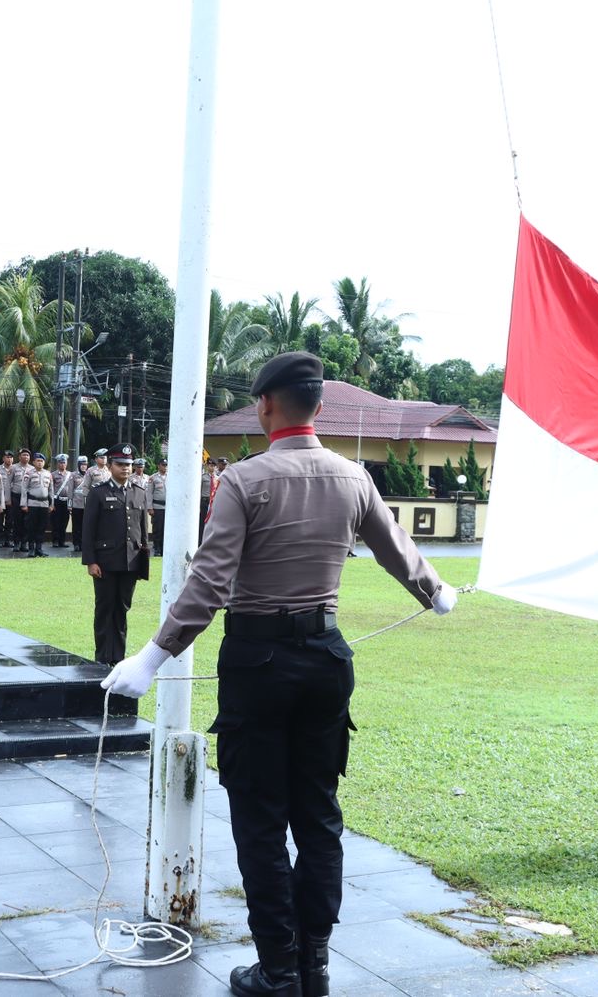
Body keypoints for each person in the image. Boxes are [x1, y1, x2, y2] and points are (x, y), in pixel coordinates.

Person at [102, 352, 457, 997]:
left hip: (258, 663)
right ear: (318, 407)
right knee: (318, 818)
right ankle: (313, 964)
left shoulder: (244, 480)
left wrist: (151, 658)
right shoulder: (353, 478)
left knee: (261, 820)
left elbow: (209, 583)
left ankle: (281, 968)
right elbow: (395, 549)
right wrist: (434, 591)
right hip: (326, 657)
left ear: (265, 406)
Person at [82, 443, 150, 665]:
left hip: (130, 563)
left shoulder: (139, 492)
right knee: (104, 610)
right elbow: (88, 530)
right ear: (110, 466)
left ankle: (118, 658)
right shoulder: (98, 493)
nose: (126, 469)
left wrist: (143, 563)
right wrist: (91, 561)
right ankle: (102, 658)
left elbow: (142, 531)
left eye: (129, 465)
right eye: (120, 464)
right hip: (105, 563)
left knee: (121, 611)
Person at [22, 451, 54, 556]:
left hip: (44, 504)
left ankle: (39, 549)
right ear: (34, 462)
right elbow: (24, 489)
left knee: (42, 527)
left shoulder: (48, 474)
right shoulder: (29, 473)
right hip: (32, 503)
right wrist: (24, 504)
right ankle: (31, 549)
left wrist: (52, 504)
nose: (40, 463)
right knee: (31, 527)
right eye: (38, 461)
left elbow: (51, 490)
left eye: (42, 461)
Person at [49, 453, 75, 548]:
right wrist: (51, 503)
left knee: (65, 522)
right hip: (57, 501)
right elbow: (51, 489)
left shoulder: (70, 475)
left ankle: (62, 541)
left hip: (66, 501)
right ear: (57, 464)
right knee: (55, 522)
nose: (62, 464)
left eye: (64, 463)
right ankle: (55, 541)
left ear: (66, 463)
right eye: (60, 463)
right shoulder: (53, 474)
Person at [69, 454, 91, 553]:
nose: (84, 466)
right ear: (78, 465)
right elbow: (70, 490)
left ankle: (83, 543)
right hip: (76, 504)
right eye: (82, 464)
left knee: (85, 526)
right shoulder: (73, 475)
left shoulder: (89, 474)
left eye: (85, 465)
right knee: (76, 525)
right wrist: (70, 504)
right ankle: (76, 544)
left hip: (87, 505)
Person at [148, 457, 169, 556]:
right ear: (158, 465)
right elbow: (149, 494)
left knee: (167, 529)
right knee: (158, 529)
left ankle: (164, 549)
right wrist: (150, 507)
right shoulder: (153, 478)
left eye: (166, 465)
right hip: (157, 507)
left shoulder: (171, 476)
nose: (165, 467)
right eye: (163, 465)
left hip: (168, 508)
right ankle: (157, 549)